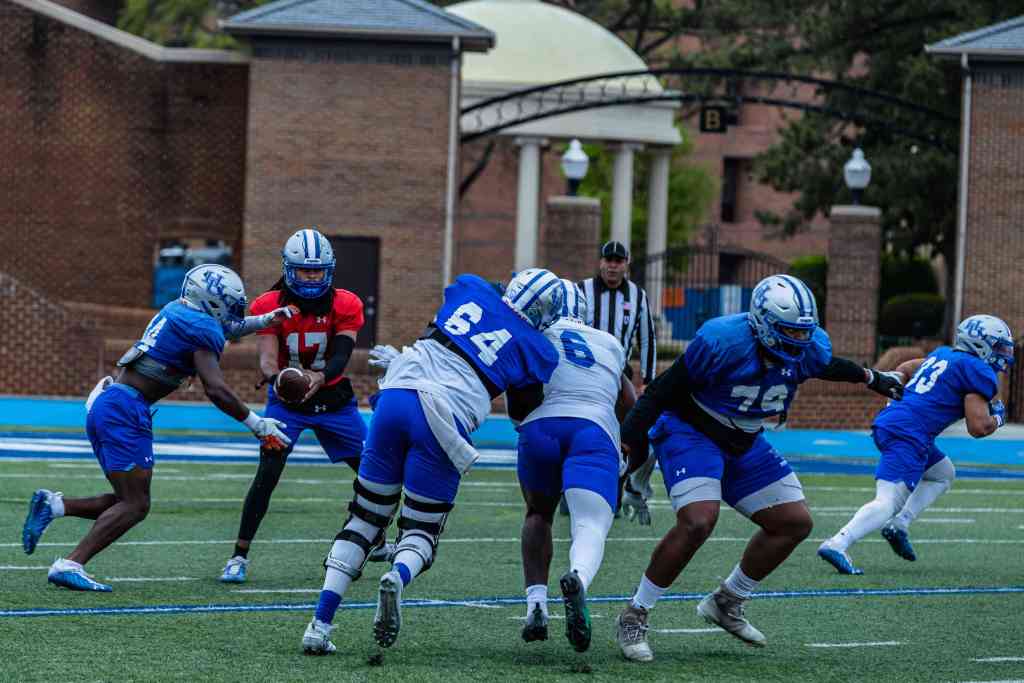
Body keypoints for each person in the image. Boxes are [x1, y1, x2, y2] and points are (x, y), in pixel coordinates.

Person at [611, 274, 906, 662]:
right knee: (699, 520)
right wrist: (627, 440)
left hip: (745, 439)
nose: (800, 342)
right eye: (790, 333)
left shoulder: (809, 347)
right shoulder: (723, 342)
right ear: (764, 324)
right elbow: (663, 390)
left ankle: (727, 600)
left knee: (794, 522)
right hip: (692, 430)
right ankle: (635, 612)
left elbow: (828, 365)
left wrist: (872, 378)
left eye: (805, 333)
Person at [300, 268, 561, 655]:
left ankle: (318, 625)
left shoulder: (473, 288)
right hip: (441, 417)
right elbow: (523, 412)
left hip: (396, 395)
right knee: (420, 531)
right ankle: (397, 577)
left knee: (365, 519)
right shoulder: (537, 347)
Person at [21, 264, 293, 592]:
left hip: (111, 402)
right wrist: (257, 424)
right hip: (125, 410)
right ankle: (70, 563)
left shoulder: (177, 310)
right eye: (230, 302)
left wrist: (264, 321)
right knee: (135, 505)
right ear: (213, 301)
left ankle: (54, 506)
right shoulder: (201, 327)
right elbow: (216, 388)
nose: (236, 309)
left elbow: (228, 328)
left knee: (129, 499)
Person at [219, 228, 389, 584]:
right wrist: (280, 378)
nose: (311, 276)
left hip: (334, 400)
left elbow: (342, 354)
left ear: (328, 269)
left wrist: (317, 378)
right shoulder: (269, 304)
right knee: (267, 475)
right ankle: (239, 555)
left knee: (376, 473)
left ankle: (373, 538)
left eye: (317, 270)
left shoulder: (346, 303)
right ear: (288, 269)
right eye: (303, 270)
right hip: (287, 403)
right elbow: (266, 359)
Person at [817, 314, 1012, 575]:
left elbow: (907, 367)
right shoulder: (978, 370)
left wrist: (898, 383)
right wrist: (999, 417)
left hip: (900, 424)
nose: (1005, 354)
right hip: (909, 432)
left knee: (942, 473)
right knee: (888, 501)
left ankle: (900, 525)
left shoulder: (944, 354)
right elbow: (977, 427)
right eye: (999, 346)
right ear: (981, 345)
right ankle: (838, 543)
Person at [509, 279, 633, 653]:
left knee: (538, 513)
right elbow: (629, 400)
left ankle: (536, 605)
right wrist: (626, 444)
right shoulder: (608, 342)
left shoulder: (531, 337)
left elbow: (517, 405)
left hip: (540, 429)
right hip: (592, 429)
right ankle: (577, 577)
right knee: (591, 522)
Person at [578, 241, 658, 524]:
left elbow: (647, 338)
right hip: (584, 373)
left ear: (626, 264)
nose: (612, 265)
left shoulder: (637, 295)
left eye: (618, 260)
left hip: (618, 373)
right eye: (608, 260)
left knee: (632, 432)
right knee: (582, 429)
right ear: (600, 262)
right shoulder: (582, 290)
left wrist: (647, 379)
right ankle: (571, 488)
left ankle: (620, 485)